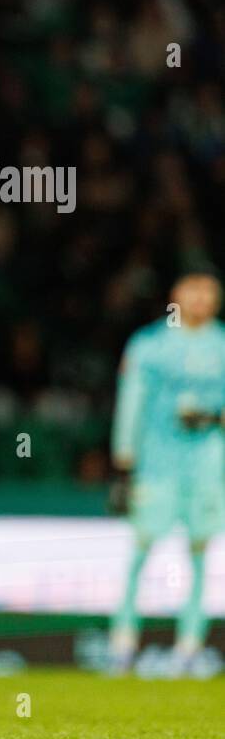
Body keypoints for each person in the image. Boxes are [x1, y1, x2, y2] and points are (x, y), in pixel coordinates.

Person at [109, 272, 225, 676]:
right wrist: (124, 463)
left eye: (208, 294)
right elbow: (131, 403)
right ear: (176, 296)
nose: (200, 301)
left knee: (199, 552)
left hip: (209, 466)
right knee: (141, 549)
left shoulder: (222, 345)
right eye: (192, 293)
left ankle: (190, 644)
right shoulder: (151, 345)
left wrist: (214, 416)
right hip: (157, 465)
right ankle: (122, 640)